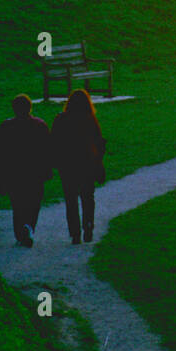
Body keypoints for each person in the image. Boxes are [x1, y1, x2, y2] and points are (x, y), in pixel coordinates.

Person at [0, 94, 53, 248]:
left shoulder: (6, 127)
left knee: (17, 204)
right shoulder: (40, 126)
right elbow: (47, 151)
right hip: (35, 173)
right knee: (34, 202)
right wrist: (48, 169)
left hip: (14, 173)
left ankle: (20, 232)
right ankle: (29, 227)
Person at [51, 89, 107, 244]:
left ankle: (75, 233)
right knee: (88, 197)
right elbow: (99, 143)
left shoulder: (61, 119)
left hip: (67, 164)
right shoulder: (90, 119)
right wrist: (99, 163)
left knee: (71, 199)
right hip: (87, 162)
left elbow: (54, 142)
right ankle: (88, 226)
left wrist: (54, 161)